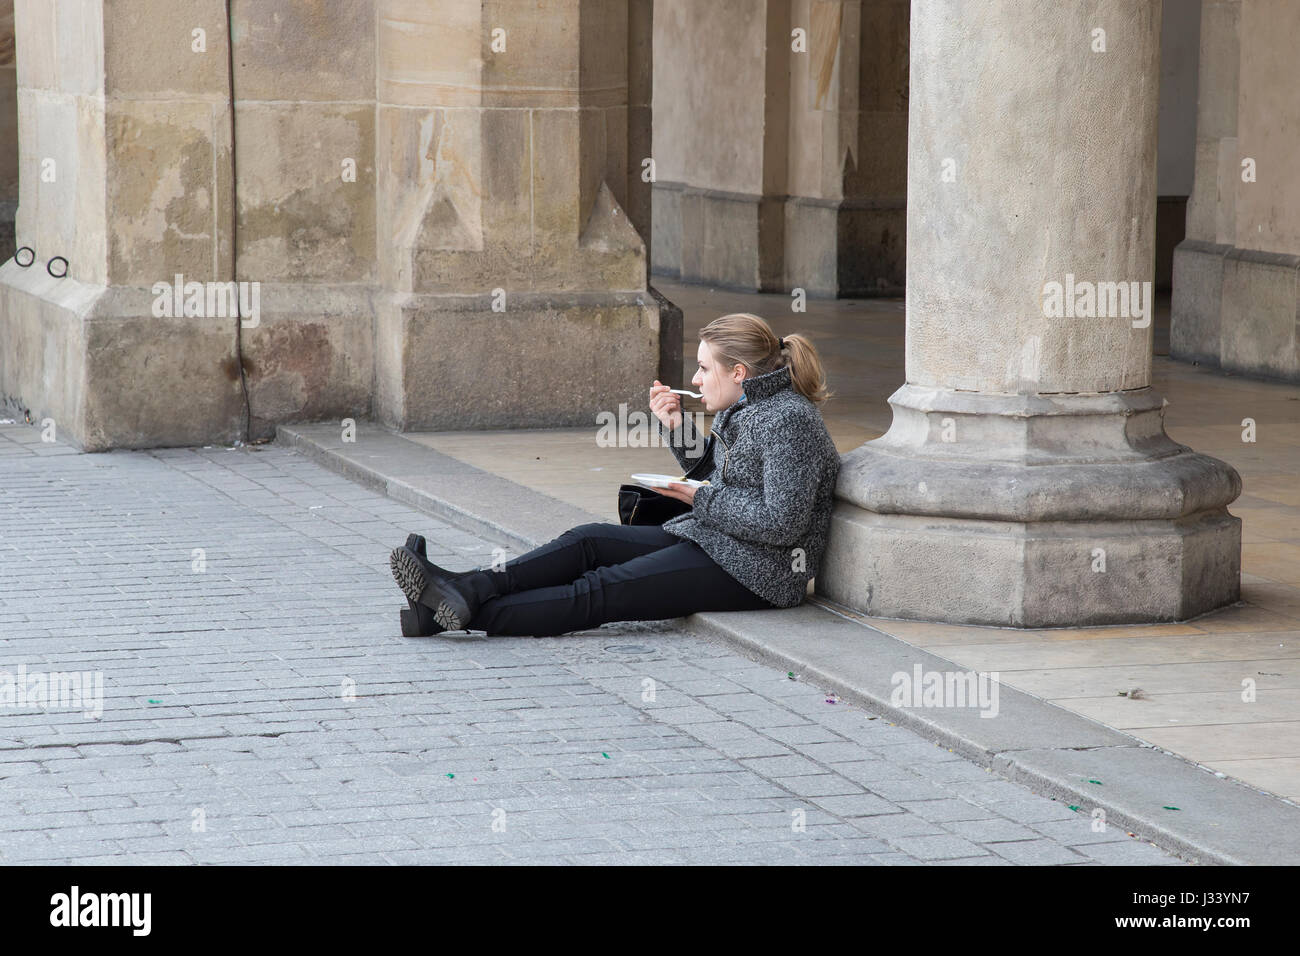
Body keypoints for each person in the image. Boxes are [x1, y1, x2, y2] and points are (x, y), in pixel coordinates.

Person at [388, 312, 841, 637]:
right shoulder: (746, 406)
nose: (697, 379)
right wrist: (678, 428)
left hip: (757, 572)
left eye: (704, 368)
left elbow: (782, 523)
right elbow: (722, 473)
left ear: (739, 372)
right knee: (588, 541)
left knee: (601, 591)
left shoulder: (787, 420)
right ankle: (463, 590)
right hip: (717, 540)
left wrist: (697, 498)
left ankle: (457, 613)